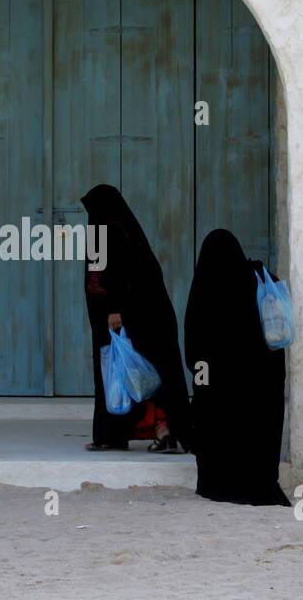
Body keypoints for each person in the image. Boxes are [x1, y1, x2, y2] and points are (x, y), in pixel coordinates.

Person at [80, 183, 190, 453]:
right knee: (128, 374)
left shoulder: (112, 231)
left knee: (143, 374)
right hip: (128, 316)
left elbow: (121, 276)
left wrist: (116, 310)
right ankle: (116, 434)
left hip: (134, 317)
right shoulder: (114, 230)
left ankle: (161, 432)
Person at [184, 229, 291, 505]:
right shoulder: (258, 282)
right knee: (256, 422)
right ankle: (258, 479)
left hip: (217, 383)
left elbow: (195, 341)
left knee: (214, 418)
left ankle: (220, 483)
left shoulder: (206, 287)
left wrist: (201, 378)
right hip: (259, 384)